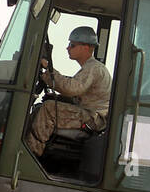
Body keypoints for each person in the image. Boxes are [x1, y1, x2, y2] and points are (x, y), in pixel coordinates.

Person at [24, 25, 112, 157]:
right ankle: (25, 144)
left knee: (48, 108)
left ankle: (31, 153)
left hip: (92, 119)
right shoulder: (90, 68)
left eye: (72, 45)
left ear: (85, 47)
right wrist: (57, 96)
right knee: (39, 108)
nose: (68, 48)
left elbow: (71, 88)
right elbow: (77, 95)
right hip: (89, 115)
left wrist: (48, 68)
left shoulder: (94, 68)